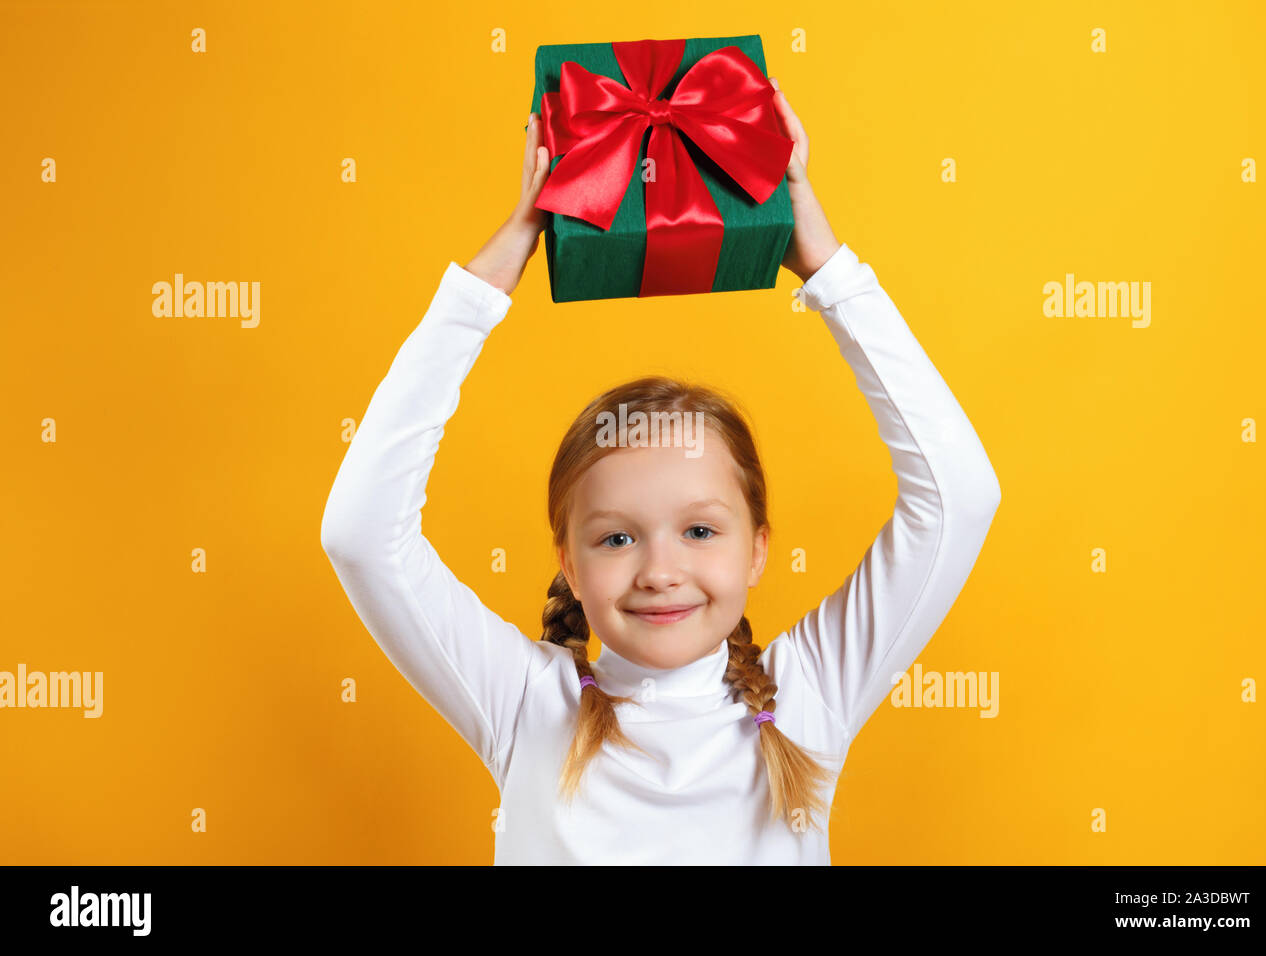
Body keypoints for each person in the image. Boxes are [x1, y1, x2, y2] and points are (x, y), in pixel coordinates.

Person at [320, 78, 1001, 864]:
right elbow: (362, 533)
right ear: (567, 563)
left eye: (701, 529)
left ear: (757, 549)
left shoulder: (810, 694)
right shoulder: (526, 707)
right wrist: (499, 265)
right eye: (616, 540)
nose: (659, 571)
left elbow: (960, 497)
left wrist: (824, 264)